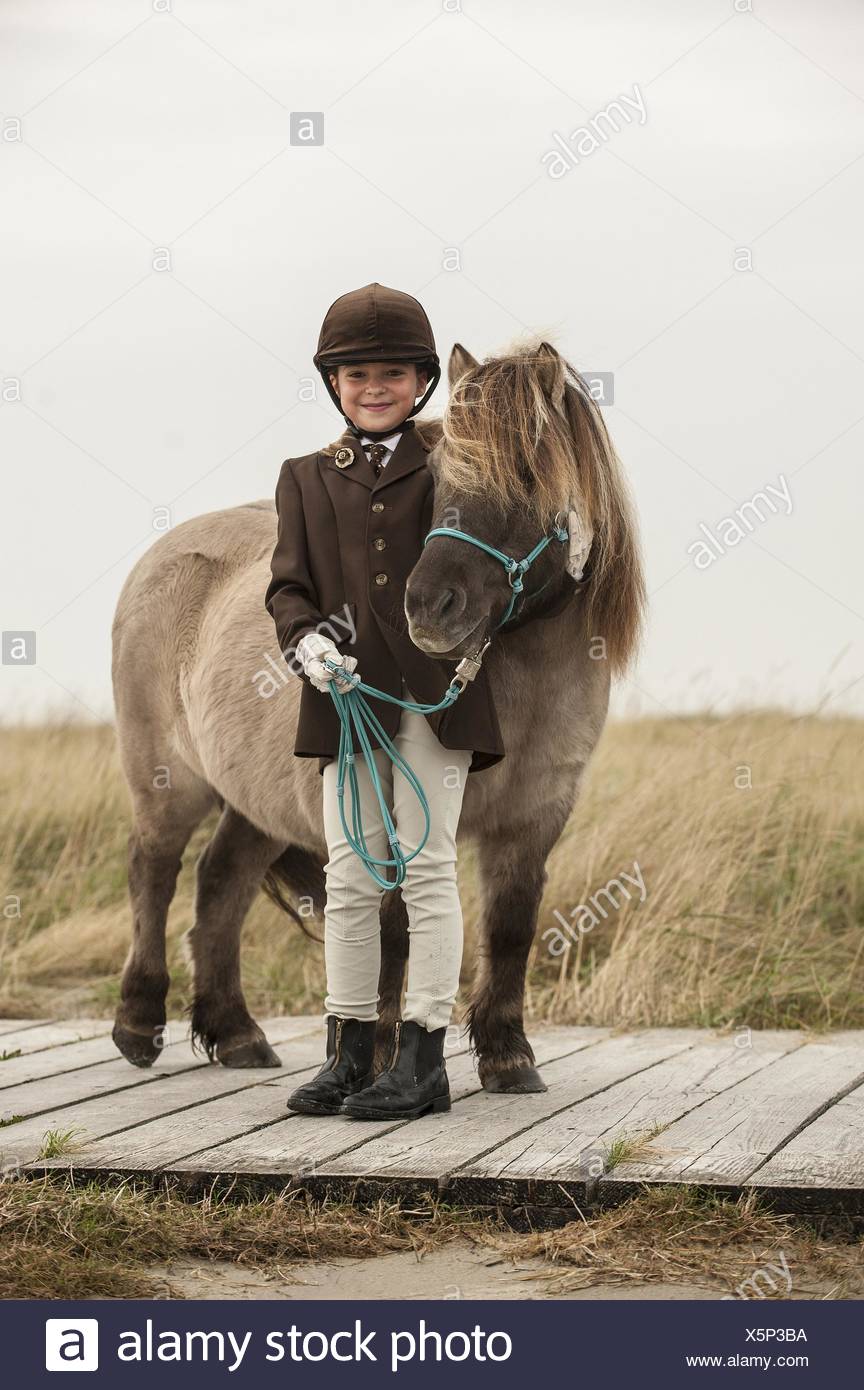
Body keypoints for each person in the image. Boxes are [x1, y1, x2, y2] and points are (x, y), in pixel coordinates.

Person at [264, 283, 504, 1121]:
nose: (375, 387)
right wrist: (307, 643)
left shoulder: (456, 464)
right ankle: (349, 1053)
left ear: (422, 381)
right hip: (345, 699)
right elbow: (288, 586)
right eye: (358, 373)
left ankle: (427, 1059)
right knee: (353, 875)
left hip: (438, 698)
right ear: (335, 381)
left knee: (427, 867)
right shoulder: (303, 478)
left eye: (394, 374)